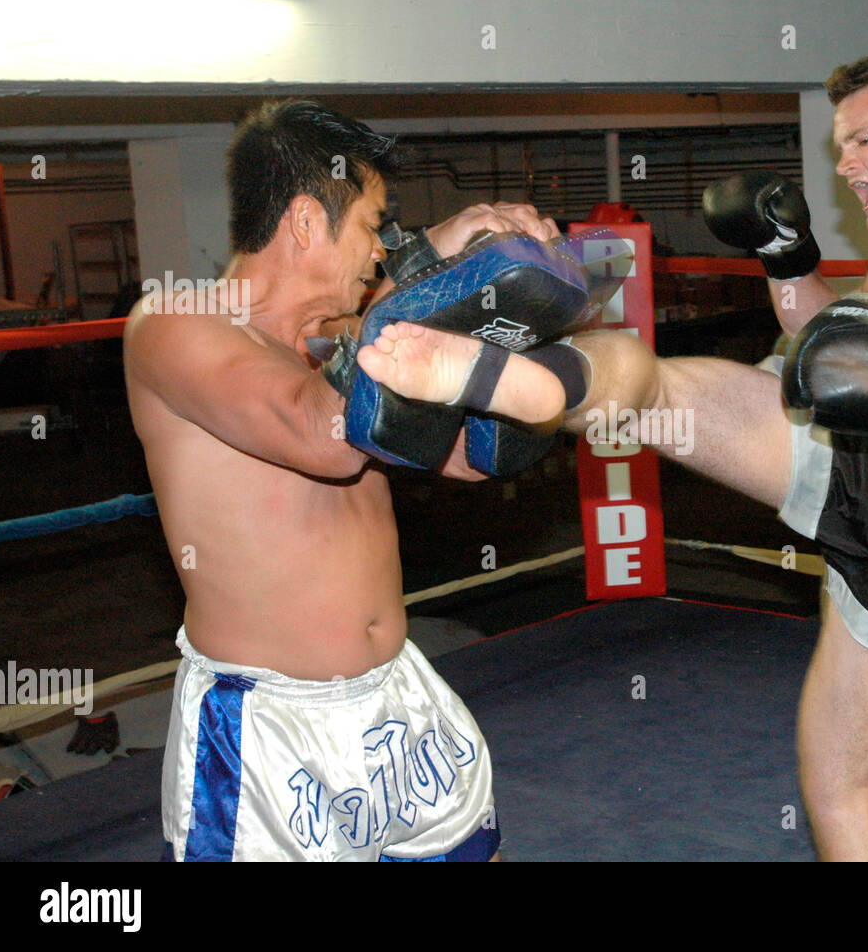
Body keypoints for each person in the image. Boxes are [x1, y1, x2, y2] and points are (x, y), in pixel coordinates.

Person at [370, 50, 868, 860]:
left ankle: (495, 374)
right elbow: (859, 342)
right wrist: (790, 260)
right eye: (840, 150)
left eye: (865, 140)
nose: (849, 165)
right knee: (838, 788)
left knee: (652, 390)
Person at [123, 99, 564, 861]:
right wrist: (430, 274)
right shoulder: (175, 326)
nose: (382, 252)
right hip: (268, 726)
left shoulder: (335, 342)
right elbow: (323, 435)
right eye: (373, 224)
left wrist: (509, 327)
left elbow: (464, 455)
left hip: (397, 695)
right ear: (303, 221)